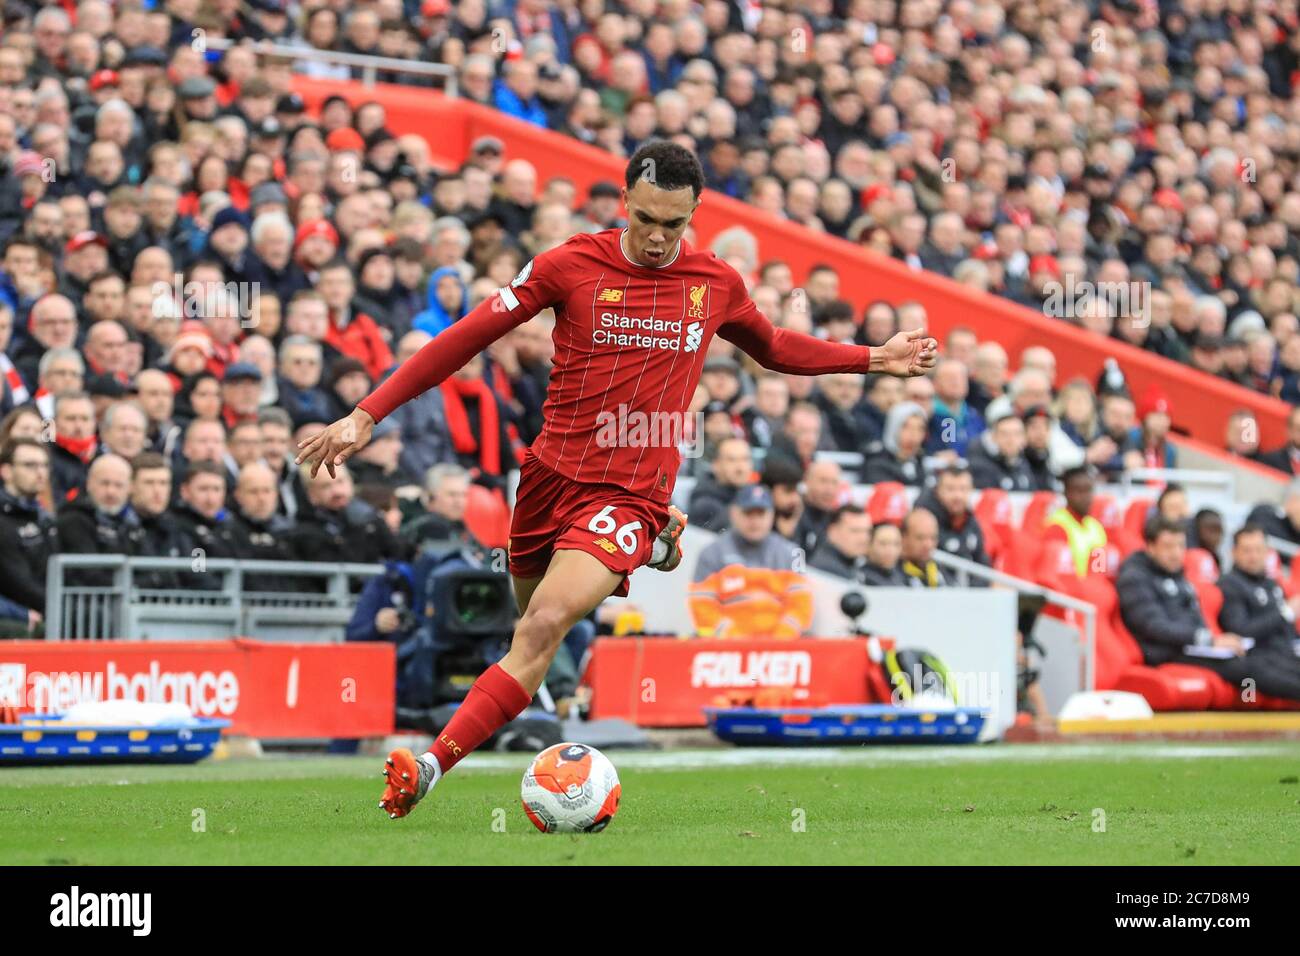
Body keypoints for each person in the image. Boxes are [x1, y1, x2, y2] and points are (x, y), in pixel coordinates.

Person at [295, 141, 938, 818]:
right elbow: (467, 335)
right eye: (649, 219)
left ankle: (429, 766)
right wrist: (368, 413)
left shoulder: (714, 282)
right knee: (530, 630)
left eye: (676, 224)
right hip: (548, 480)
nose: (660, 237)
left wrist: (872, 358)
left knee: (543, 623)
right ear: (624, 200)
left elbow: (774, 347)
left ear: (694, 214)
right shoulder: (569, 264)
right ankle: (655, 542)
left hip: (628, 492)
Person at [1117, 517, 1300, 702]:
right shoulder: (1135, 578)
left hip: (1193, 648)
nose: (1176, 553)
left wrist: (1211, 641)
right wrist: (1207, 639)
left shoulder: (1177, 574)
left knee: (1263, 661)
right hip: (1167, 653)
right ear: (1150, 547)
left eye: (1181, 546)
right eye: (1168, 546)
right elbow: (1152, 626)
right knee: (1250, 668)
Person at [687, 484, 812, 639]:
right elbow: (702, 604)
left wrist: (780, 639)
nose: (755, 521)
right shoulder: (711, 553)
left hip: (779, 648)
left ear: (771, 515)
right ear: (733, 513)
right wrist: (734, 638)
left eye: (761, 514)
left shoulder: (791, 553)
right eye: (748, 513)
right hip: (727, 648)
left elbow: (801, 604)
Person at [1217, 526, 1300, 666]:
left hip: (1287, 652)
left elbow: (1286, 630)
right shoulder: (1229, 584)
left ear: (1267, 552)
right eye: (1247, 550)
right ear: (1233, 552)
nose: (1254, 556)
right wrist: (1286, 612)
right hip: (1258, 659)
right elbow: (1241, 630)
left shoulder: (1270, 582)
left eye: (1259, 550)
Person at [0, 438, 56, 623]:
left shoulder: (46, 518)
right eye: (30, 465)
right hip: (20, 619)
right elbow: (18, 583)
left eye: (44, 465)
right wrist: (61, 605)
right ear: (6, 471)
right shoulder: (3, 521)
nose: (40, 472)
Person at [913, 465, 991, 571]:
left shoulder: (971, 520)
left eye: (963, 489)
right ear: (938, 490)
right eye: (950, 489)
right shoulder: (923, 520)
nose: (957, 496)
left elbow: (982, 560)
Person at [1042, 466, 1107, 579]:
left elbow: (1099, 571)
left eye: (1089, 490)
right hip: (1067, 591)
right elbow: (1057, 573)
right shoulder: (1057, 526)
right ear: (1066, 493)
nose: (1086, 497)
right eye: (1080, 491)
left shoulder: (1096, 527)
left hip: (1091, 589)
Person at [687, 436, 752, 533]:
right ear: (715, 465)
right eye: (732, 460)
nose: (740, 467)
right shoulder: (703, 505)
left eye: (745, 459)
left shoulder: (753, 495)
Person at [808, 504, 872, 583]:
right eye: (855, 531)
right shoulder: (826, 570)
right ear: (833, 532)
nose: (864, 538)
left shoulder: (853, 563)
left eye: (867, 531)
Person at [898, 508, 949, 588]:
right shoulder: (891, 572)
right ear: (903, 538)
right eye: (920, 538)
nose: (928, 545)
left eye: (933, 538)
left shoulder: (938, 570)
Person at [860, 521, 908, 586]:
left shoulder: (905, 577)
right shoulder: (859, 578)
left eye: (896, 544)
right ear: (869, 545)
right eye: (883, 543)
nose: (890, 550)